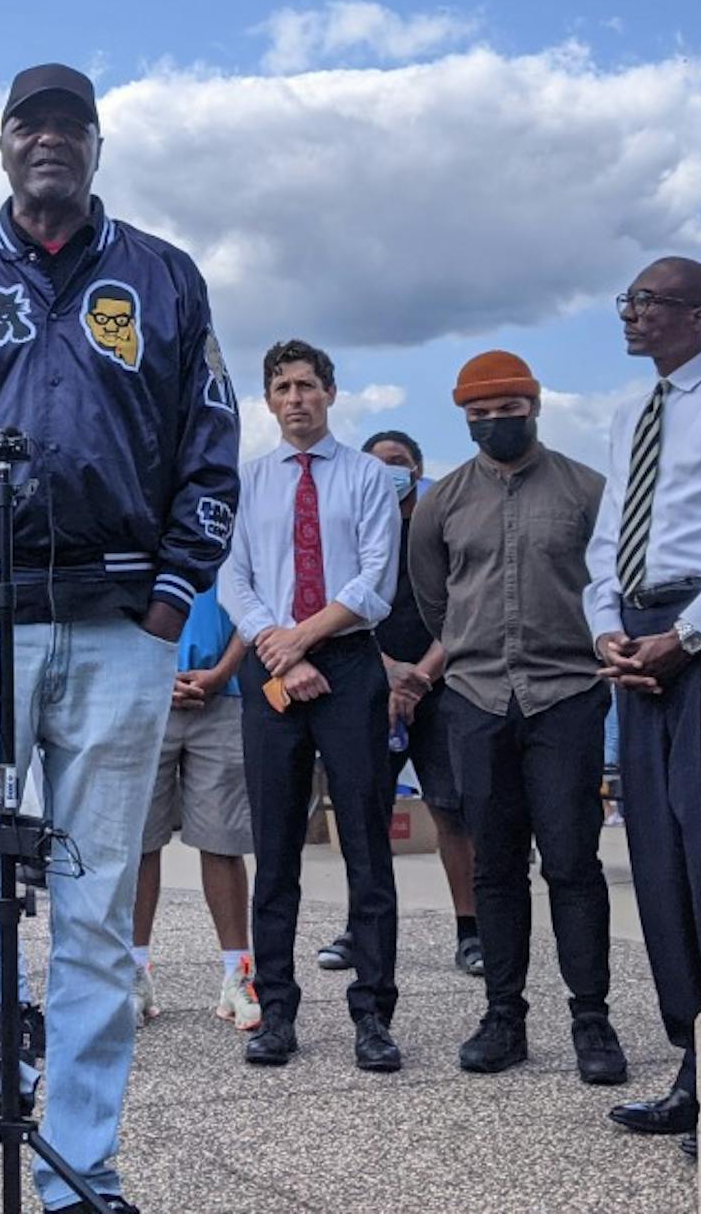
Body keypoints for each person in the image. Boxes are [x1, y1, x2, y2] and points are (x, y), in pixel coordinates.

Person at [0, 62, 240, 1214]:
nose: (52, 142)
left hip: (119, 634)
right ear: (4, 141)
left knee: (95, 920)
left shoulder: (164, 278)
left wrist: (171, 599)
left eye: (72, 125)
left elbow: (211, 446)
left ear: (97, 144)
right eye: (32, 124)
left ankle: (84, 1174)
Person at [583, 259, 701, 1151]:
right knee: (654, 863)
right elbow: (609, 532)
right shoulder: (629, 413)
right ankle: (693, 1063)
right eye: (628, 300)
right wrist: (604, 626)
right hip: (634, 644)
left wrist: (687, 635)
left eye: (647, 302)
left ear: (697, 315)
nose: (631, 314)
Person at [407, 349, 627, 1087]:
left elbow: (612, 584)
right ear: (463, 416)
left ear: (534, 406)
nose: (495, 422)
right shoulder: (443, 502)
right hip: (475, 699)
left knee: (572, 864)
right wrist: (471, 652)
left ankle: (591, 1021)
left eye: (508, 409)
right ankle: (503, 1017)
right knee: (494, 866)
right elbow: (433, 596)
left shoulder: (586, 491)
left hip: (565, 693)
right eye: (480, 413)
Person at [222, 339, 403, 1074]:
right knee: (274, 848)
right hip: (271, 675)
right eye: (283, 388)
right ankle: (277, 1013)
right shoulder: (248, 482)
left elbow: (373, 580)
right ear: (269, 401)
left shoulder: (369, 477)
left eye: (307, 386)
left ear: (330, 393)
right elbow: (233, 577)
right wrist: (277, 646)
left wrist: (300, 640)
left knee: (365, 840)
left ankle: (373, 1015)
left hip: (348, 664)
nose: (296, 399)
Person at [337, 428, 480, 978]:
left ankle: (471, 931)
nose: (389, 472)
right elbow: (339, 607)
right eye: (378, 464)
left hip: (442, 683)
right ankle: (361, 928)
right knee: (363, 811)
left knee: (452, 811)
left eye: (399, 462)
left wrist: (421, 675)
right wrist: (388, 672)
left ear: (418, 468)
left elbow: (465, 606)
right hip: (367, 682)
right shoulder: (352, 532)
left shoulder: (441, 526)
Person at [130, 582, 257, 1033]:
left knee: (222, 842)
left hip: (225, 692)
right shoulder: (140, 514)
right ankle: (134, 973)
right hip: (146, 693)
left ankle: (237, 974)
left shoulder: (233, 515)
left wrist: (223, 672)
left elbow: (254, 598)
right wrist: (151, 675)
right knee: (140, 842)